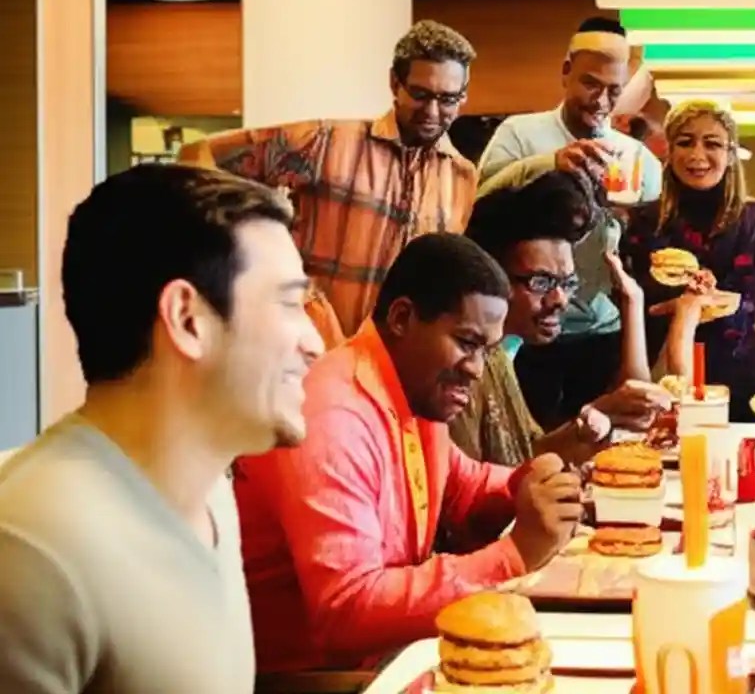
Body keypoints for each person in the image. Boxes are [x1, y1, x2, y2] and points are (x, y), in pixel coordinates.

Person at [0, 164, 323, 692]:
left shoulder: (213, 496)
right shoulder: (35, 551)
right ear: (188, 320)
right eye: (290, 303)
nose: (315, 341)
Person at [233, 234, 584, 674]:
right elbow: (346, 611)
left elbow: (464, 487)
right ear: (402, 317)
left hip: (392, 665)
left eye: (487, 351)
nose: (477, 369)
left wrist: (533, 483)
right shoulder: (332, 415)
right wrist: (513, 555)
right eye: (466, 342)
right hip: (319, 683)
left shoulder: (412, 390)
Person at [179, 20, 480, 348]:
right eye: (420, 95)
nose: (433, 111)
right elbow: (199, 155)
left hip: (391, 368)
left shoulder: (462, 178)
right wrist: (256, 244)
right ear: (395, 83)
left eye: (448, 99)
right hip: (307, 351)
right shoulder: (324, 142)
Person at [477, 16, 663, 429]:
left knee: (604, 448)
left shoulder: (636, 159)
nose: (601, 100)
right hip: (525, 333)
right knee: (528, 449)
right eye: (590, 84)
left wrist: (634, 222)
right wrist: (548, 164)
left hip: (601, 330)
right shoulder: (521, 134)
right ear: (565, 72)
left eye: (614, 90)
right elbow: (475, 202)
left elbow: (662, 233)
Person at [454, 170, 672, 465]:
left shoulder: (501, 355)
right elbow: (479, 490)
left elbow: (528, 453)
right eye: (541, 283)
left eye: (567, 283)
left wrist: (597, 417)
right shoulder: (459, 371)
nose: (560, 300)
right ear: (492, 277)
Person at [621, 99, 755, 422]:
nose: (697, 155)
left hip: (742, 374)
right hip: (665, 376)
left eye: (712, 143)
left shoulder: (754, 219)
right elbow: (641, 306)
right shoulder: (646, 219)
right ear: (669, 151)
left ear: (730, 154)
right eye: (685, 142)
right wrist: (704, 302)